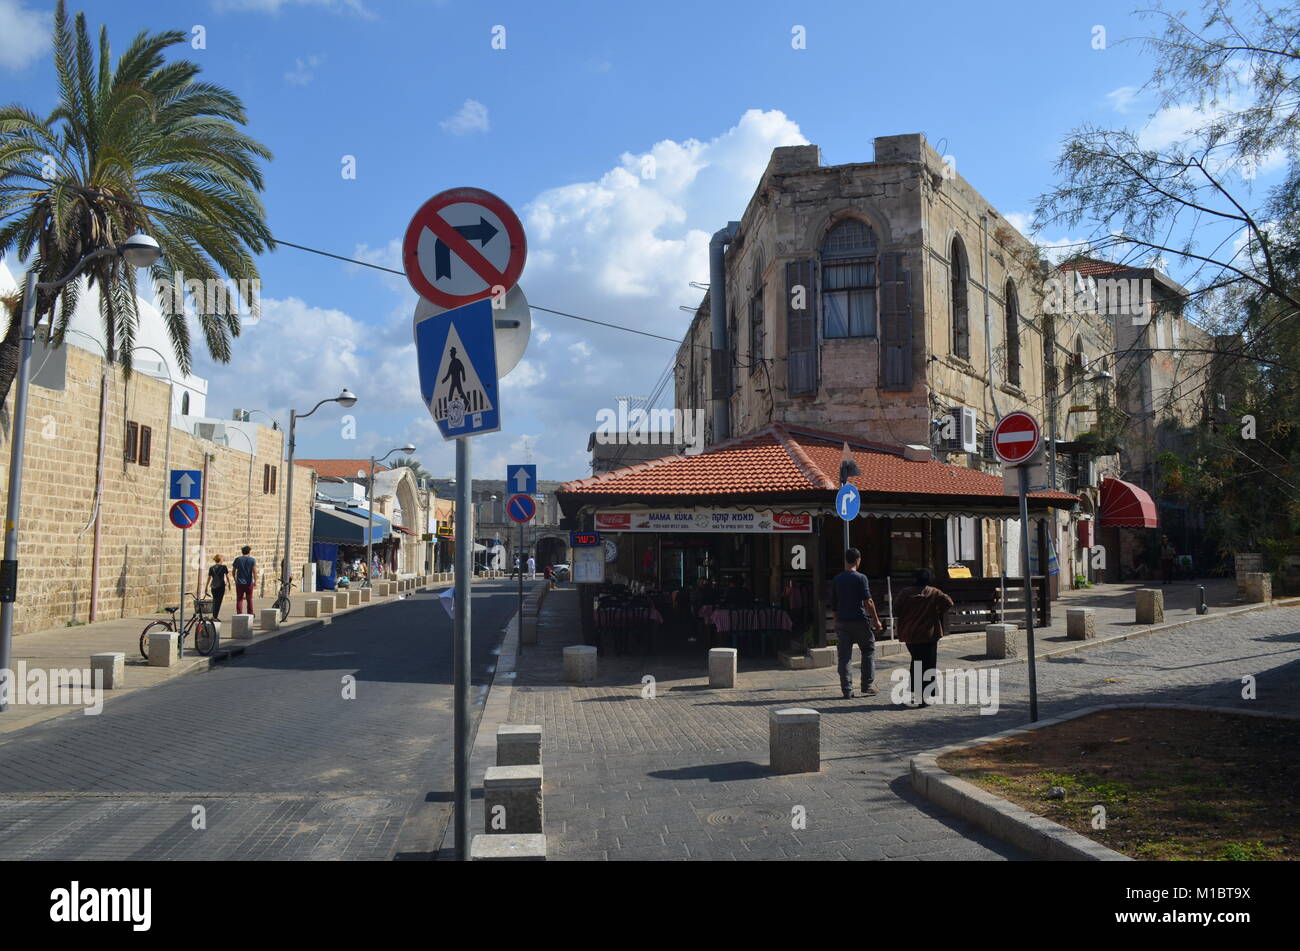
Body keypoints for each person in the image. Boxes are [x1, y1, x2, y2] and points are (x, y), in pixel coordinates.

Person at [894, 569, 954, 708]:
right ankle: (928, 696)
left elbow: (896, 611)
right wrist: (937, 611)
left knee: (916, 663)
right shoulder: (934, 592)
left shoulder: (905, 593)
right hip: (929, 634)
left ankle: (917, 696)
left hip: (911, 634)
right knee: (929, 664)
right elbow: (949, 602)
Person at [830, 548, 884, 699]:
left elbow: (834, 605)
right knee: (868, 651)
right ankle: (866, 686)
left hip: (842, 621)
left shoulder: (837, 579)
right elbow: (868, 601)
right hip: (859, 621)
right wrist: (876, 620)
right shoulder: (861, 578)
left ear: (846, 560)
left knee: (844, 657)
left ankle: (847, 690)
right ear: (858, 560)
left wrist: (836, 623)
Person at [232, 546, 257, 616]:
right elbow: (254, 572)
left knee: (239, 599)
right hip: (249, 583)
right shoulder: (252, 560)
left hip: (239, 582)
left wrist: (235, 579)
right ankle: (250, 614)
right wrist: (255, 581)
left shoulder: (237, 559)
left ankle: (239, 614)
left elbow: (233, 571)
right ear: (249, 552)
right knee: (249, 599)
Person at [205, 554, 229, 620]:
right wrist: (229, 584)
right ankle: (215, 616)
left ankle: (214, 616)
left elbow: (209, 578)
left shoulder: (211, 568)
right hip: (221, 586)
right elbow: (227, 577)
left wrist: (206, 586)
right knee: (219, 601)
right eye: (222, 559)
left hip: (214, 586)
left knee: (215, 601)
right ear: (220, 559)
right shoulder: (224, 567)